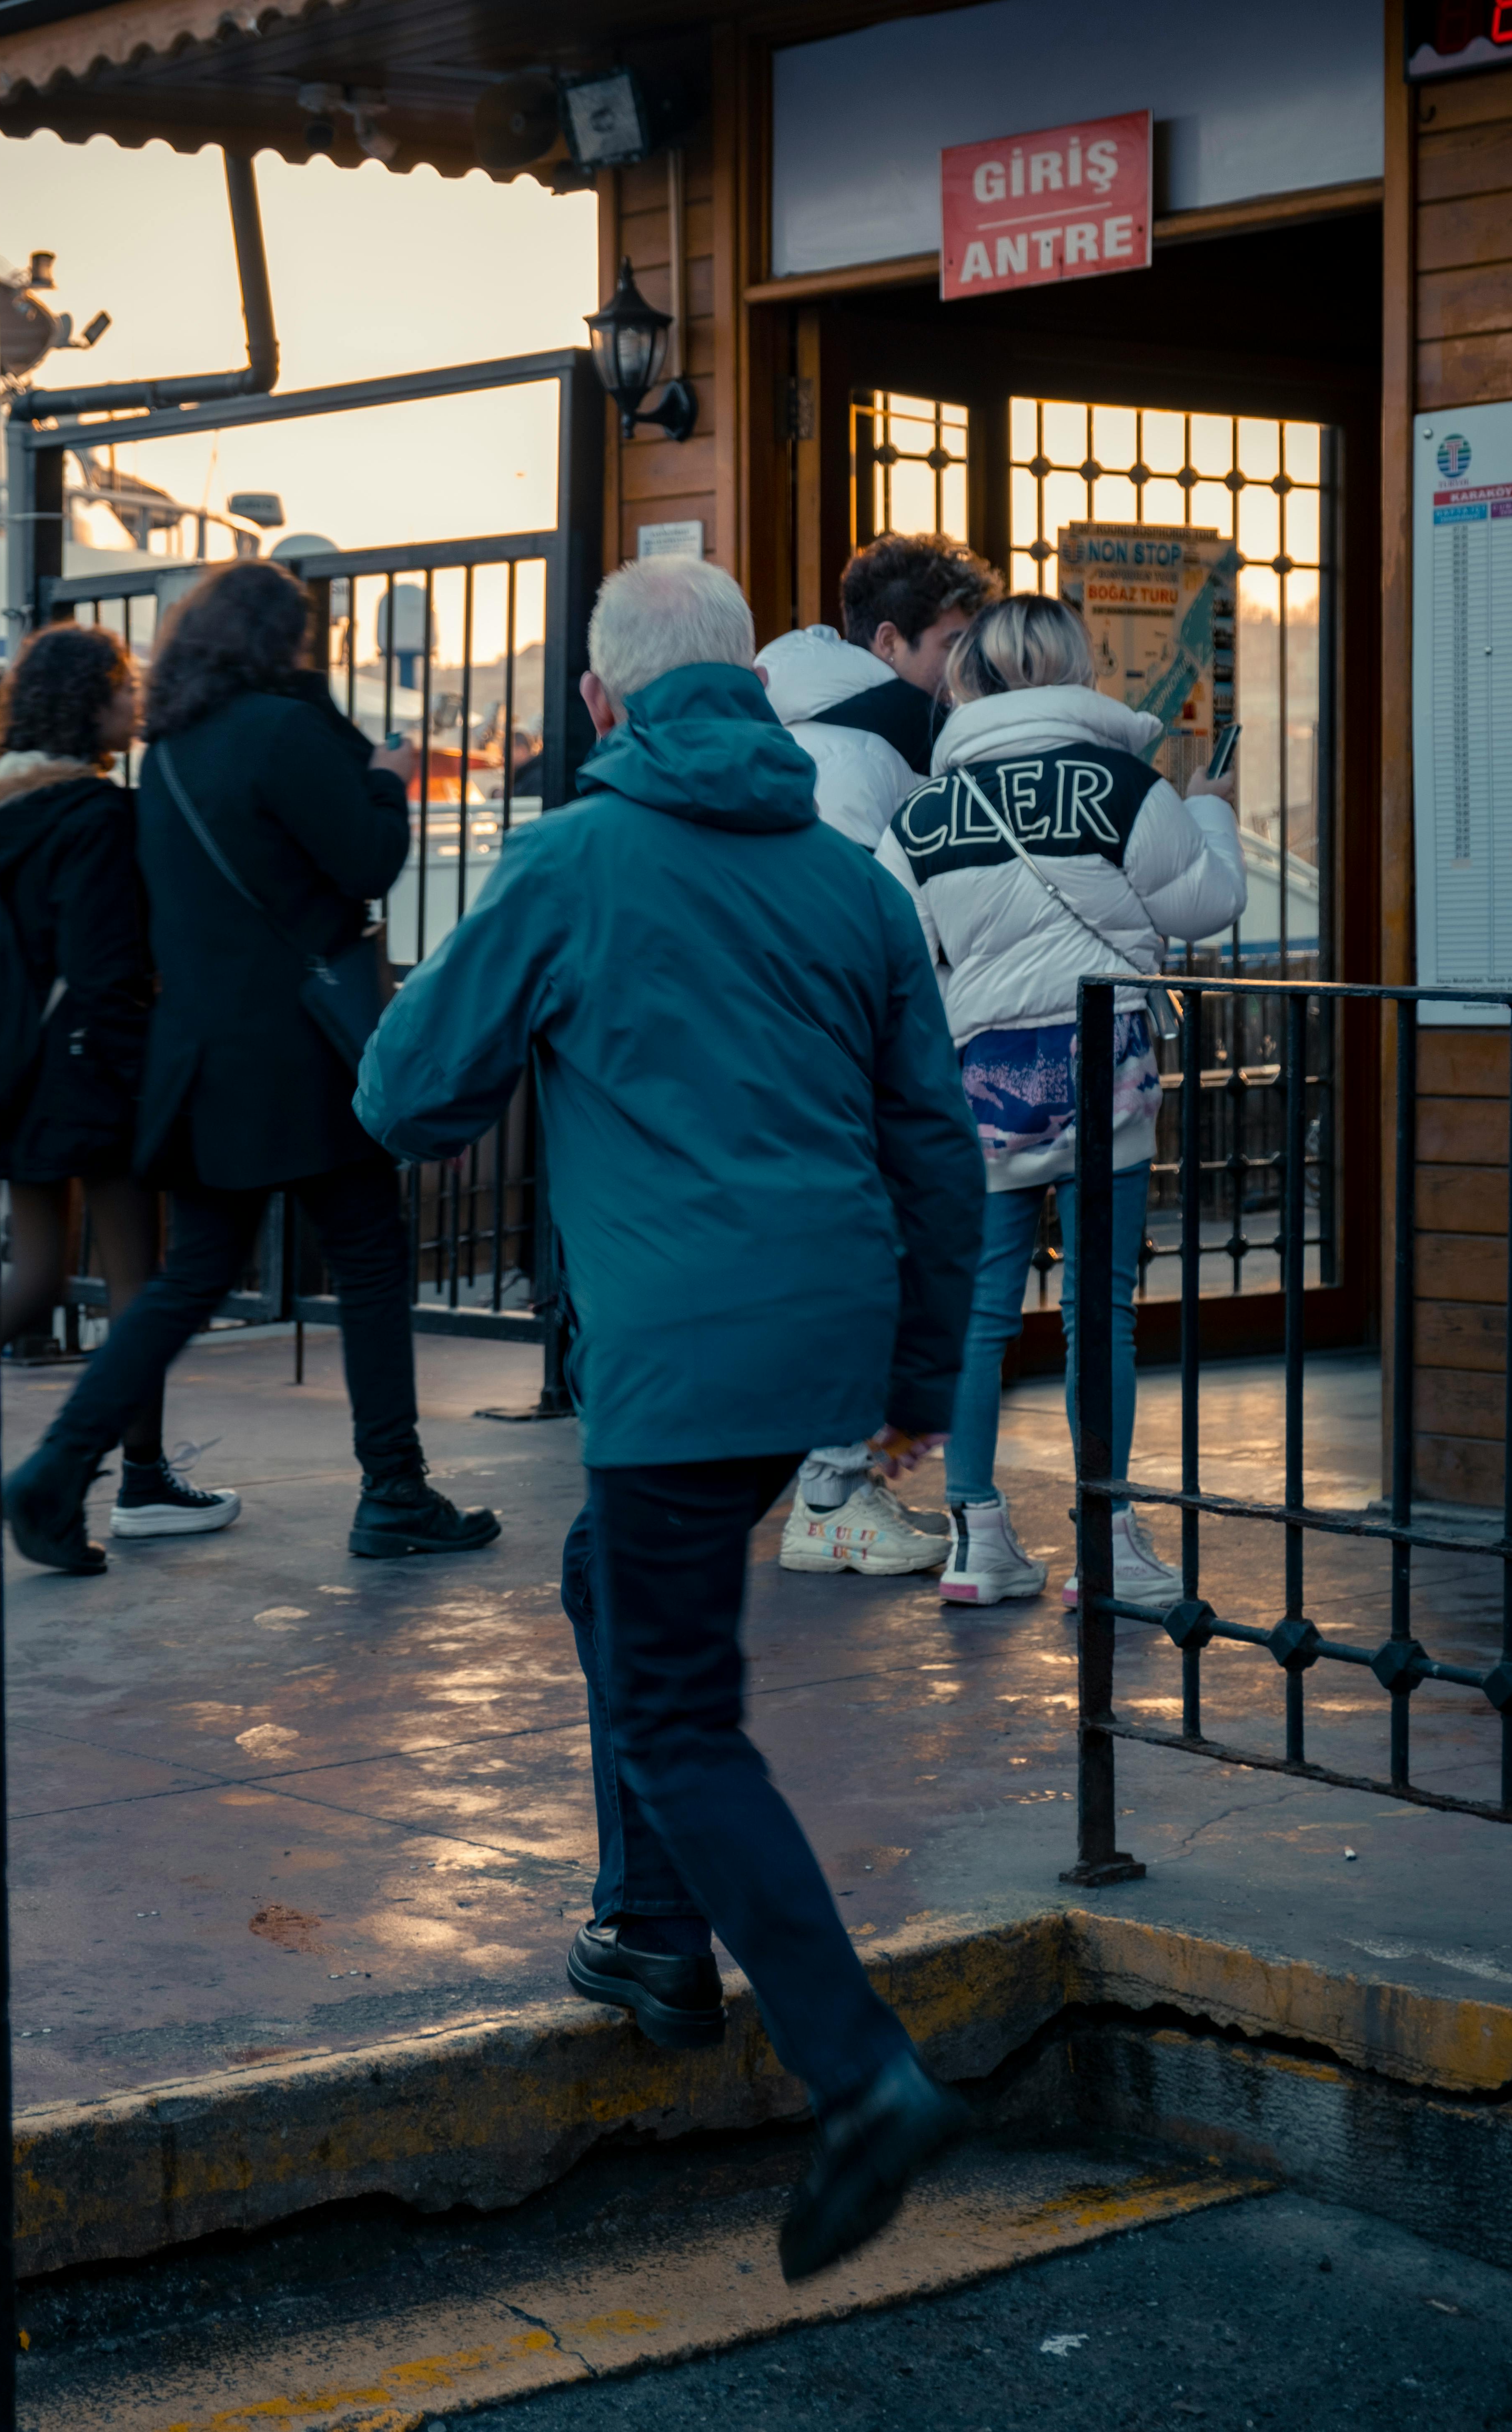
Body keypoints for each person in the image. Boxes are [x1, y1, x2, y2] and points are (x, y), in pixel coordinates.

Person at [356, 556, 987, 2283]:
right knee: (609, 1584)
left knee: (679, 1706)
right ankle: (646, 1925)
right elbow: (936, 1148)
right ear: (758, 697)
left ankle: (859, 2069)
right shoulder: (850, 879)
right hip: (832, 1320)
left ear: (599, 704)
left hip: (682, 1349)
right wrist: (922, 1383)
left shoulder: (568, 857)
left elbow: (408, 1099)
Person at [2, 559, 498, 1575]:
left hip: (199, 1067)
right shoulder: (281, 731)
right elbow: (364, 862)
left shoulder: (169, 757)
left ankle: (55, 1468)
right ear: (280, 643)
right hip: (302, 1061)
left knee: (190, 1279)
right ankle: (394, 1489)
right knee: (366, 1260)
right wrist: (389, 781)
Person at [876, 592, 1247, 1610]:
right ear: (1078, 667)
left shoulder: (922, 812)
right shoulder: (1121, 786)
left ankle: (972, 1540)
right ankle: (1107, 1545)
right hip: (1102, 1076)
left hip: (980, 1087)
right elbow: (1209, 908)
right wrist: (1210, 805)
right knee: (1101, 1316)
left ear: (972, 680)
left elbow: (896, 957)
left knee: (980, 1316)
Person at [755, 533, 1001, 1578]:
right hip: (854, 1035)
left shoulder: (775, 707)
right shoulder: (895, 739)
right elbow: (907, 915)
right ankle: (834, 1494)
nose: (963, 668)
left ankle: (825, 1484)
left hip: (773, 1032)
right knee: (876, 1257)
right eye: (952, 641)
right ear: (890, 638)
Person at [0, 622, 237, 1557]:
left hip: (17, 1072)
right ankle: (140, 1478)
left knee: (38, 1273)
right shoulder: (94, 816)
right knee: (140, 1275)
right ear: (89, 702)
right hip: (95, 1071)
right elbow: (108, 965)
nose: (137, 701)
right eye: (123, 686)